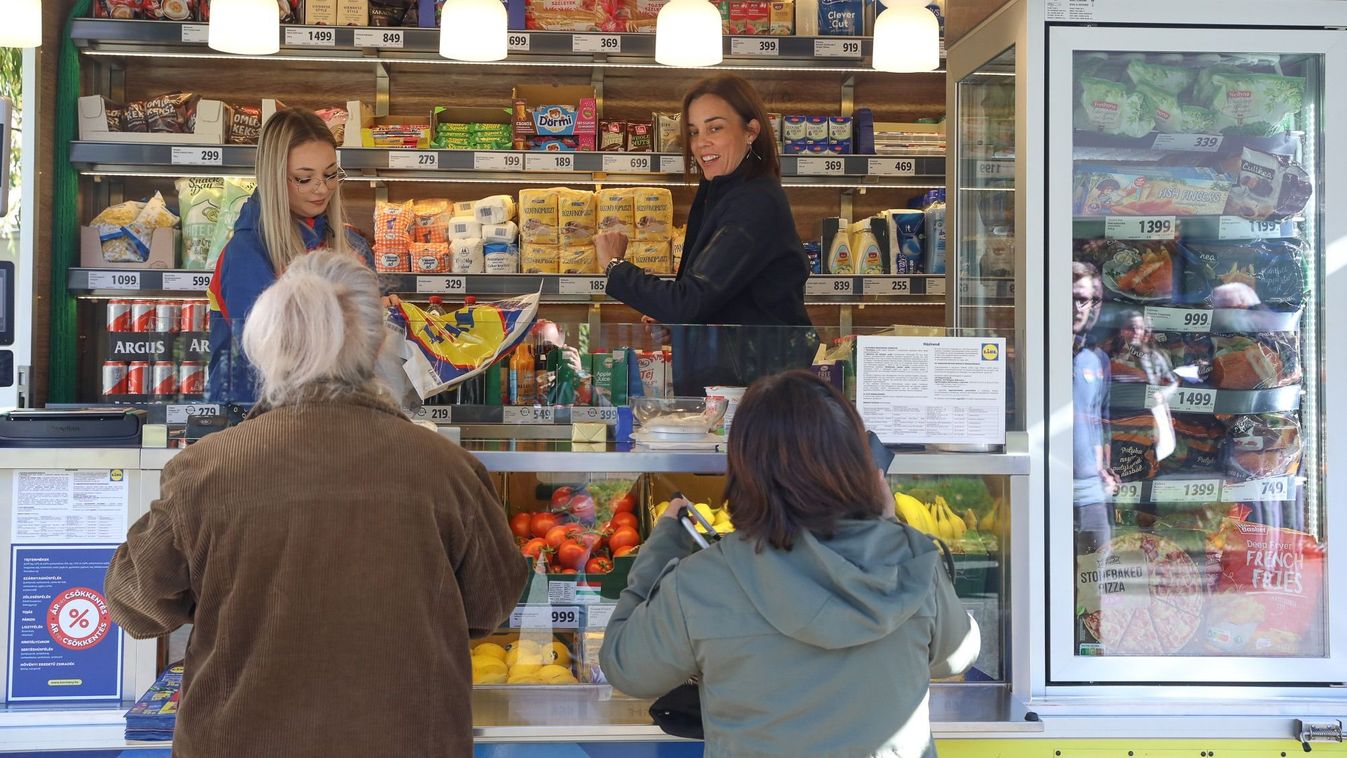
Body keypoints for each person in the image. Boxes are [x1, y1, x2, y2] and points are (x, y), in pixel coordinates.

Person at [105, 251, 527, 757]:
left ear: (267, 348)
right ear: (378, 346)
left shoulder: (206, 470)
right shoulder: (447, 469)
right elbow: (491, 606)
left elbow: (136, 606)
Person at [600, 371, 978, 757]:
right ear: (858, 463)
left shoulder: (701, 582)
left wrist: (663, 546)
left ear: (745, 468)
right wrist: (886, 528)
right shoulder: (911, 562)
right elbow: (957, 656)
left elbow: (627, 668)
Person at [594, 73, 814, 395]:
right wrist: (685, 327)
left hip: (759, 393)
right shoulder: (721, 191)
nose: (700, 143)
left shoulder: (754, 203)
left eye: (715, 128)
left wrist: (616, 267)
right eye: (694, 132)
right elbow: (716, 295)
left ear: (751, 131)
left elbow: (690, 300)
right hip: (739, 386)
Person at [206, 106, 381, 405]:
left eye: (330, 174)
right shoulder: (246, 255)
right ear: (274, 176)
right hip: (258, 425)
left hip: (334, 417)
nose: (321, 188)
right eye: (303, 178)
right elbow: (273, 355)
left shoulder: (349, 244)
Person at [1072, 262, 1118, 551]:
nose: (1077, 308)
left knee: (1095, 589)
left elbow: (1101, 420)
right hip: (1042, 490)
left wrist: (1106, 467)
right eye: (1070, 298)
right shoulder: (1029, 354)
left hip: (1091, 495)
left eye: (1084, 300)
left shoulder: (1097, 359)